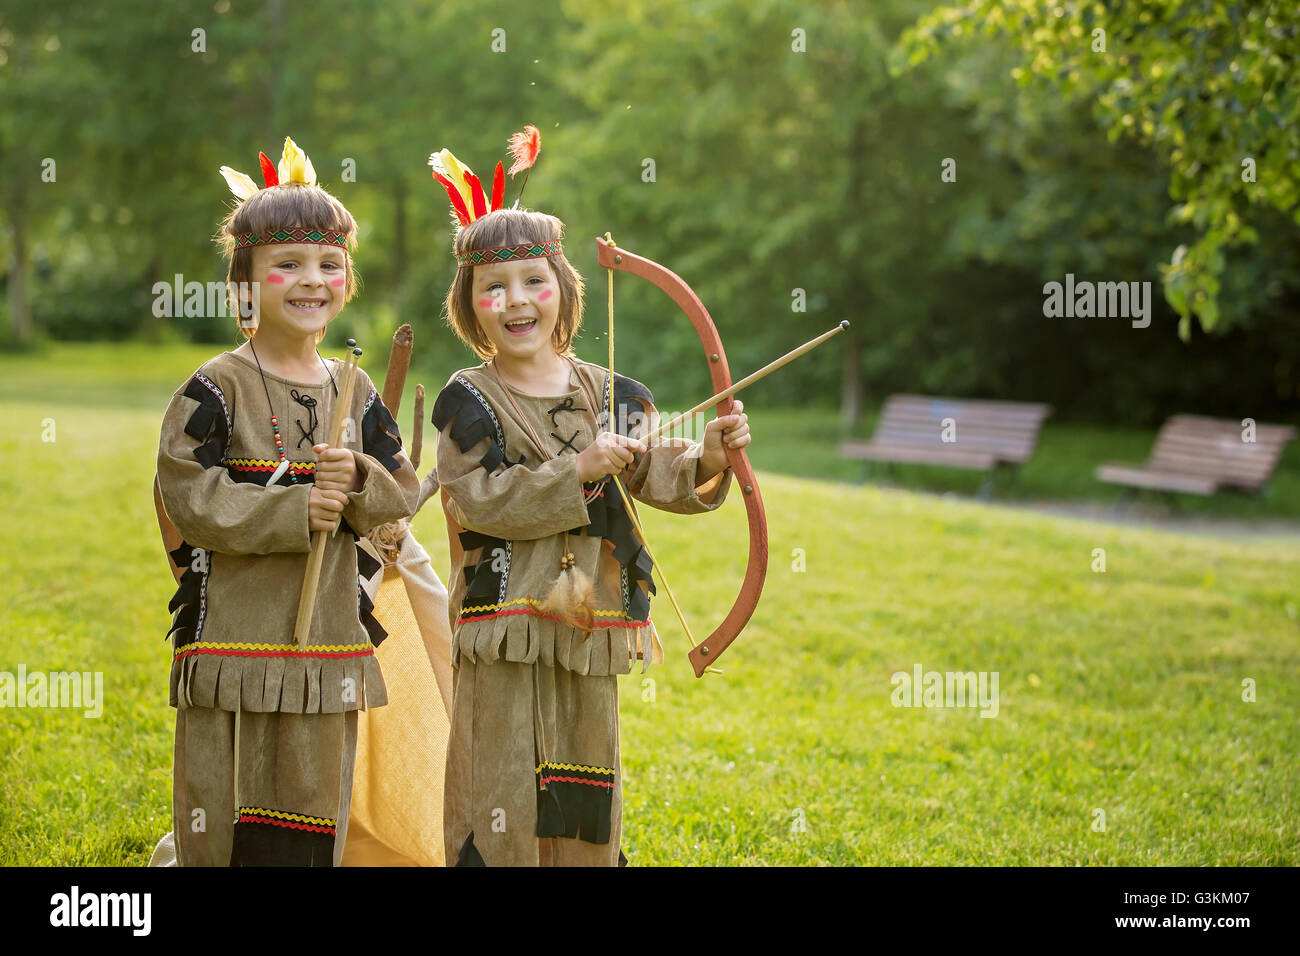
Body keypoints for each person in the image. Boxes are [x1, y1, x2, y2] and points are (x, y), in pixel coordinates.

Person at [427, 131, 751, 866]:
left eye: (534, 281)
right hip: (501, 618)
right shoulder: (467, 398)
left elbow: (649, 474)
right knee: (500, 781)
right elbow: (476, 500)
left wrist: (707, 454)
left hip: (592, 620)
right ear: (470, 305)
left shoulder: (613, 393)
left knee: (581, 777)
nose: (517, 301)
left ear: (564, 290)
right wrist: (575, 471)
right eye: (494, 287)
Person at [155, 137, 419, 866]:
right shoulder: (214, 387)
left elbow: (403, 490)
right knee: (225, 805)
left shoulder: (354, 389)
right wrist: (293, 510)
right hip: (233, 636)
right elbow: (186, 493)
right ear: (245, 286)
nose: (312, 281)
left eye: (329, 265)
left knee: (308, 807)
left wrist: (359, 477)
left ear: (348, 279)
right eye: (288, 266)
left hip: (327, 635)